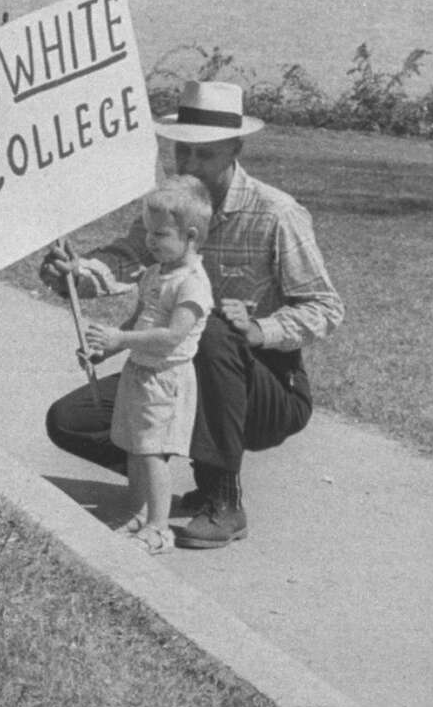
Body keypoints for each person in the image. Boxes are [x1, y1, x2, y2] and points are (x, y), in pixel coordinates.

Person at [41, 79, 344, 549]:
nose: (191, 165)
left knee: (212, 329)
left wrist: (260, 329)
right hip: (175, 373)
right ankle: (156, 473)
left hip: (266, 386)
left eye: (206, 155)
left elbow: (326, 307)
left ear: (235, 149)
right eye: (183, 153)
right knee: (69, 421)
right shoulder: (174, 207)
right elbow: (125, 257)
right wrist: (78, 273)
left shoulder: (276, 213)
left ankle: (223, 500)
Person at [76, 175, 215, 555]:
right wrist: (107, 349)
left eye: (160, 234)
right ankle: (137, 514)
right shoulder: (155, 272)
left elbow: (172, 335)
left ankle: (159, 528)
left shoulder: (192, 284)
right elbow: (138, 321)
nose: (150, 241)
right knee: (136, 448)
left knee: (153, 453)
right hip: (139, 372)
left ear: (190, 236)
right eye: (149, 232)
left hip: (165, 377)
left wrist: (122, 340)